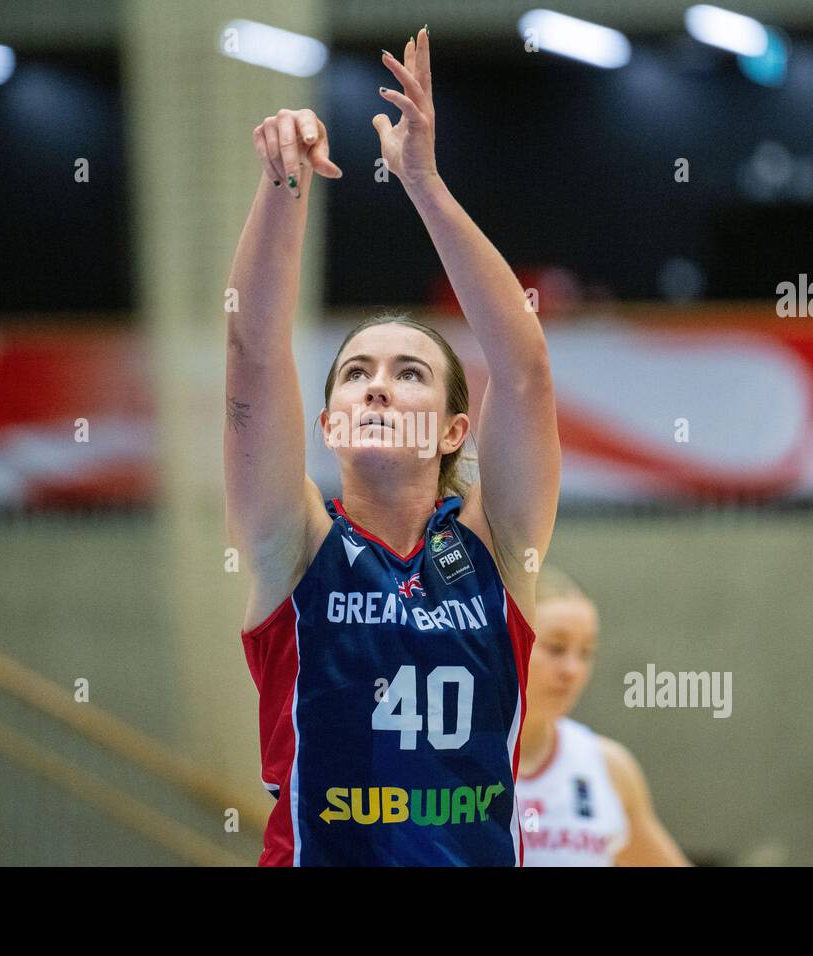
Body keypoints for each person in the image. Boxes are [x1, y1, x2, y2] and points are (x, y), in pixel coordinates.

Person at [226, 26, 561, 865]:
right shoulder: (293, 546)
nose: (377, 384)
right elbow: (253, 352)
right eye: (355, 374)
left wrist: (424, 182)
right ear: (330, 422)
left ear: (454, 429)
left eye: (409, 371)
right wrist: (281, 185)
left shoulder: (497, 547)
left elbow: (523, 369)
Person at [516, 566, 689, 866]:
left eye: (585, 653)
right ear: (511, 644)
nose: (572, 670)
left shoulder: (609, 766)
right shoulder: (454, 759)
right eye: (556, 648)